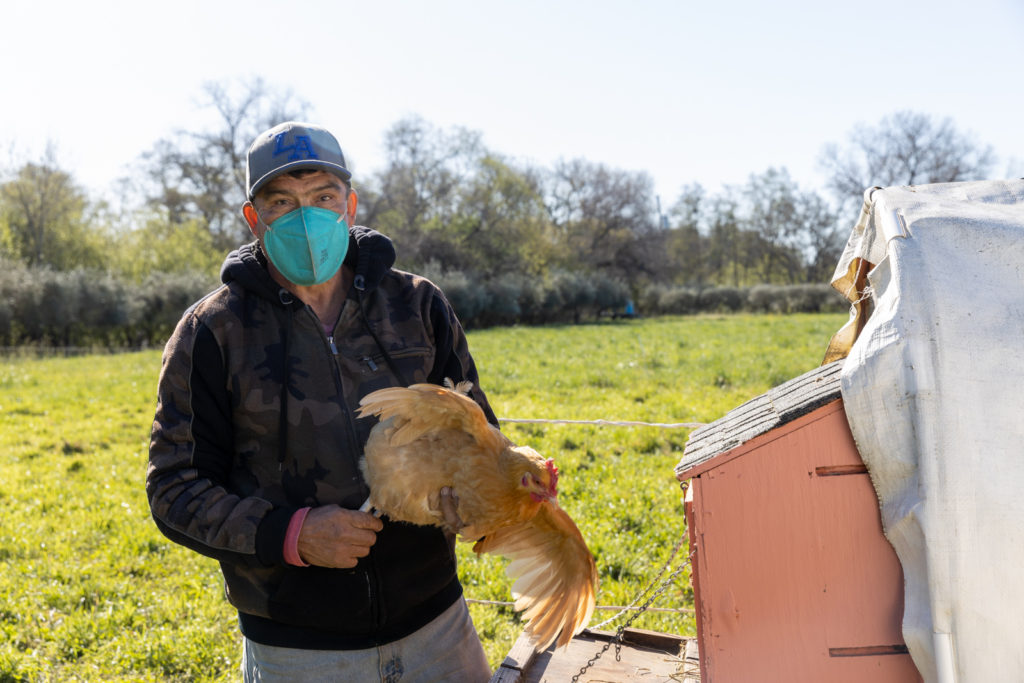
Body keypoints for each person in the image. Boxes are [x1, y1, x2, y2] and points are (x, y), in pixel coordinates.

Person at [147, 121, 496, 682]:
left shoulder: (417, 305)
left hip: (437, 628)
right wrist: (291, 534)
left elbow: (480, 435)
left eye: (322, 197)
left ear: (350, 206)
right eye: (282, 201)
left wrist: (483, 491)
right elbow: (173, 488)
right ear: (254, 218)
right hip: (298, 650)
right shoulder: (211, 333)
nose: (306, 217)